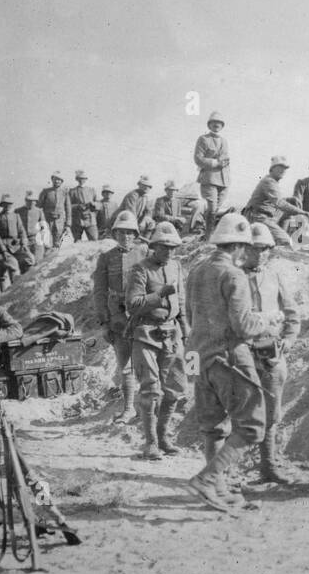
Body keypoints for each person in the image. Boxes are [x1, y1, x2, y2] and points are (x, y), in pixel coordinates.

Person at [182, 213, 282, 512]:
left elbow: (189, 316)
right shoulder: (233, 275)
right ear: (238, 245)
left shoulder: (197, 271)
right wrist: (268, 320)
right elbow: (244, 327)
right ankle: (207, 479)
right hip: (229, 357)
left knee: (213, 427)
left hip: (198, 356)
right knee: (253, 425)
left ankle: (218, 490)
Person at [243, 222, 301, 484]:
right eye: (256, 249)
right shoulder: (233, 277)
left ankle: (268, 466)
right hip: (241, 353)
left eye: (266, 249)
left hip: (270, 352)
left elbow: (292, 314)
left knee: (271, 413)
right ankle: (227, 469)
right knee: (240, 411)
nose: (261, 254)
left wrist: (288, 340)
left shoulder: (275, 276)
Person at [125, 222, 189, 460]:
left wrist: (185, 329)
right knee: (151, 390)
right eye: (164, 247)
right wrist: (160, 294)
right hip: (146, 335)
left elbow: (181, 303)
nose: (170, 251)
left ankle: (163, 437)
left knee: (173, 389)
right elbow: (133, 304)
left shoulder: (177, 267)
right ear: (154, 246)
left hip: (172, 335)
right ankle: (150, 443)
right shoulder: (140, 270)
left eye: (173, 247)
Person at [92, 210, 148, 418]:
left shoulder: (144, 254)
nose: (125, 237)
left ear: (136, 234)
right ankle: (128, 408)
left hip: (142, 316)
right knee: (125, 365)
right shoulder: (106, 258)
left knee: (147, 363)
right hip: (118, 319)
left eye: (130, 233)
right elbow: (99, 291)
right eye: (121, 232)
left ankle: (148, 408)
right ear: (115, 234)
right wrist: (104, 322)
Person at [244, 155, 309, 246]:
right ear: (272, 169)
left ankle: (279, 235)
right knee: (286, 241)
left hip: (265, 215)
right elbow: (280, 204)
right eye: (280, 168)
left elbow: (277, 200)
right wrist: (302, 212)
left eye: (284, 169)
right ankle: (279, 239)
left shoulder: (273, 181)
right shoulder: (269, 181)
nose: (283, 171)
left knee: (290, 206)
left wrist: (290, 200)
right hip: (257, 216)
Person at [193, 110, 231, 238]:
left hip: (224, 179)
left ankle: (212, 233)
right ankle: (208, 236)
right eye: (214, 122)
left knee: (216, 208)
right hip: (209, 178)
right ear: (209, 125)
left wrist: (224, 164)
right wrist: (215, 162)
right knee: (212, 207)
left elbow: (226, 159)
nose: (217, 125)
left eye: (219, 123)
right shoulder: (203, 139)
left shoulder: (224, 141)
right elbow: (198, 158)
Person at [0, 194, 29, 286]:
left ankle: (15, 290)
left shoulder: (16, 216)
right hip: (1, 248)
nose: (8, 206)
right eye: (5, 204)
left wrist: (23, 242)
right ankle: (3, 295)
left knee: (28, 260)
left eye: (10, 204)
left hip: (15, 246)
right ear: (2, 205)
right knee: (2, 273)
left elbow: (21, 230)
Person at [38, 171, 72, 251]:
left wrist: (68, 224)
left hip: (59, 221)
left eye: (59, 180)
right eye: (55, 179)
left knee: (58, 242)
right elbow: (39, 207)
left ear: (62, 181)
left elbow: (68, 209)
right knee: (46, 241)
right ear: (52, 180)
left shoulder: (65, 192)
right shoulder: (45, 192)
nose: (57, 181)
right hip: (47, 220)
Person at [117, 176, 157, 241]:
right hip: (123, 220)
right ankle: (137, 237)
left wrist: (145, 220)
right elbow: (131, 214)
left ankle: (145, 241)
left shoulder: (145, 197)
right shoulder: (132, 195)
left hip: (135, 221)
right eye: (144, 185)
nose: (146, 187)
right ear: (139, 185)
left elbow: (148, 212)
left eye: (148, 186)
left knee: (151, 223)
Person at [19, 190, 49, 264]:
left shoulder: (39, 211)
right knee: (25, 263)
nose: (32, 202)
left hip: (36, 238)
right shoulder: (18, 211)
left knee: (38, 261)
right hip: (23, 240)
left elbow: (43, 226)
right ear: (25, 200)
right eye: (29, 201)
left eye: (34, 201)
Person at [69, 169, 99, 242]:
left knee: (94, 239)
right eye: (80, 178)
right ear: (77, 179)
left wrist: (93, 205)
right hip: (77, 220)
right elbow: (68, 206)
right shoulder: (72, 191)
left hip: (90, 219)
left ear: (86, 179)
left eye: (83, 179)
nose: (81, 180)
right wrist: (78, 206)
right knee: (77, 240)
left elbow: (97, 203)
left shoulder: (91, 190)